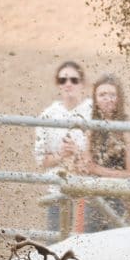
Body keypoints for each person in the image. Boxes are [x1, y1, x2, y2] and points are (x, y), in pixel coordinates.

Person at [34, 60, 92, 232]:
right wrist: (61, 154)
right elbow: (41, 160)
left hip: (88, 192)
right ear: (58, 84)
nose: (68, 84)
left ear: (82, 83)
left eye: (74, 80)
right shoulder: (47, 115)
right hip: (57, 189)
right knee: (56, 241)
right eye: (63, 80)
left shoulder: (93, 111)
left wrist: (77, 152)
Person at [81, 73, 130, 232]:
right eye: (102, 95)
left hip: (119, 195)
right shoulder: (92, 127)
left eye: (112, 94)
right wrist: (95, 169)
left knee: (117, 237)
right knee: (90, 238)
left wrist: (98, 170)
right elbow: (87, 166)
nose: (107, 99)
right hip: (95, 195)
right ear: (95, 99)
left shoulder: (126, 128)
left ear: (119, 98)